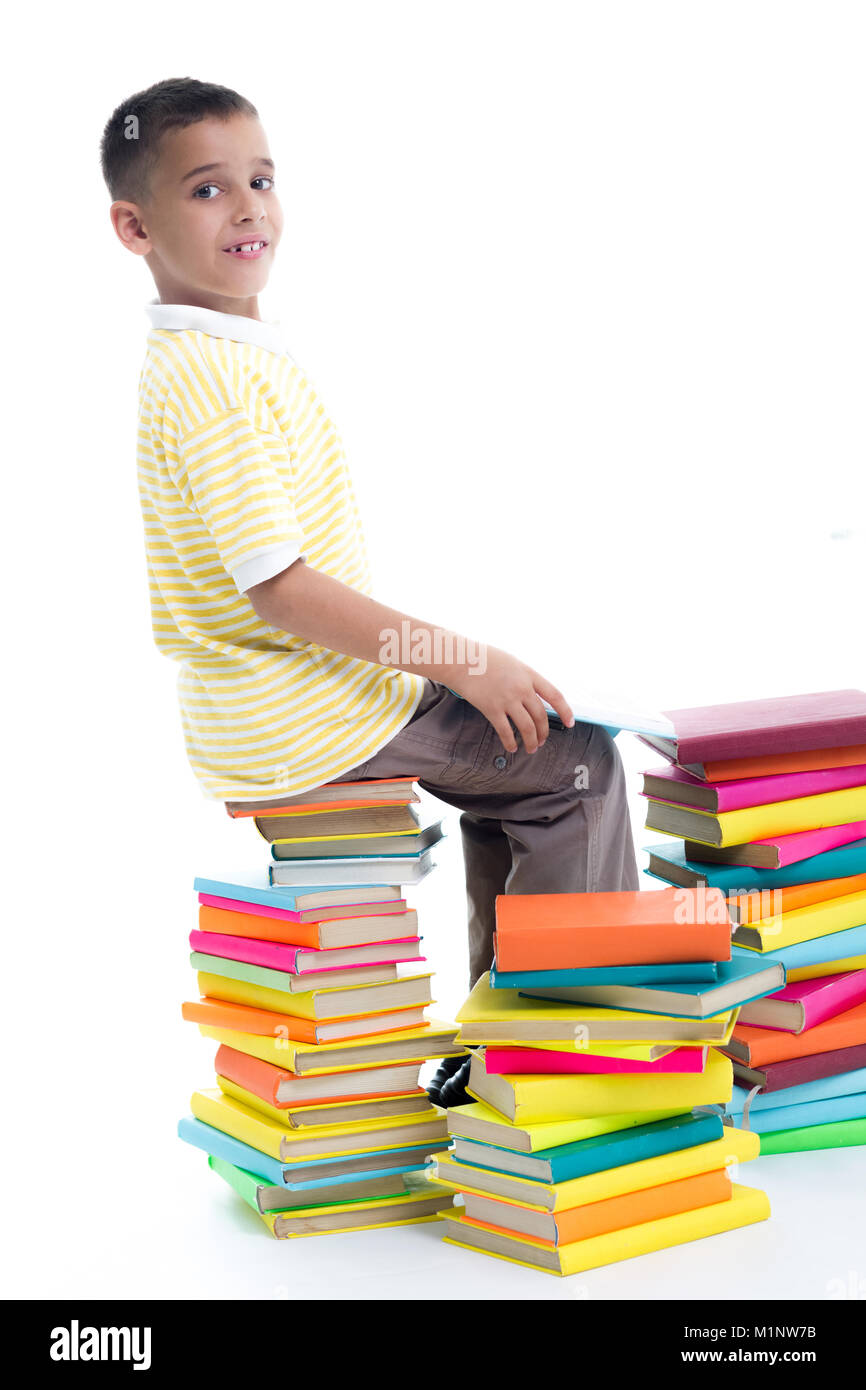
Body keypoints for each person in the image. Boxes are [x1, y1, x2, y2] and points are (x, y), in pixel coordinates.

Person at [102, 77, 638, 1105]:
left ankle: (500, 1024)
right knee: (575, 761)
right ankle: (567, 1048)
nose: (249, 206)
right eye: (208, 190)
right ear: (136, 226)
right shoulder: (213, 378)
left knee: (515, 768)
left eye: (260, 178)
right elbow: (282, 589)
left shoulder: (201, 353)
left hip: (264, 704)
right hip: (302, 706)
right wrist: (463, 662)